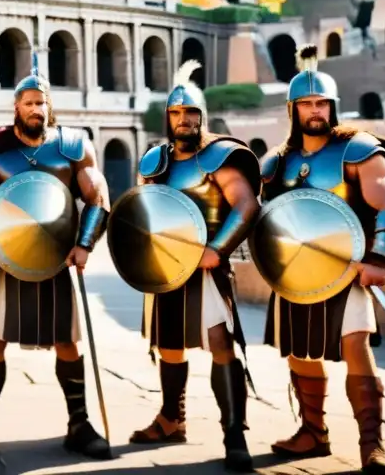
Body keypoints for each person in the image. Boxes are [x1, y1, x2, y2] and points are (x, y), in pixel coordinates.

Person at [0, 55, 112, 462]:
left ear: (49, 106)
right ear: (16, 107)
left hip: (55, 258)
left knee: (66, 341)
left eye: (42, 102)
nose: (36, 109)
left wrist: (86, 243)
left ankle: (79, 424)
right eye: (29, 102)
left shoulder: (73, 146)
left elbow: (97, 198)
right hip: (6, 259)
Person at [260, 45, 385, 474]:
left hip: (348, 269)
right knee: (299, 352)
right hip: (295, 271)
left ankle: (372, 446)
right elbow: (257, 211)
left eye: (321, 102)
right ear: (292, 109)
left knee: (355, 346)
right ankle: (313, 433)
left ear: (333, 106)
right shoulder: (278, 161)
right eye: (305, 103)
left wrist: (380, 257)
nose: (315, 110)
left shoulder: (357, 150)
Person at [131, 61, 260, 472]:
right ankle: (172, 420)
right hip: (165, 267)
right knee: (168, 346)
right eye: (175, 113)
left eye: (190, 113)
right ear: (167, 117)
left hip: (205, 266)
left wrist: (218, 250)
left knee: (220, 345)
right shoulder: (154, 160)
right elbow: (144, 208)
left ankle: (234, 432)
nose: (183, 119)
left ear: (201, 116)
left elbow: (246, 205)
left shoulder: (219, 156)